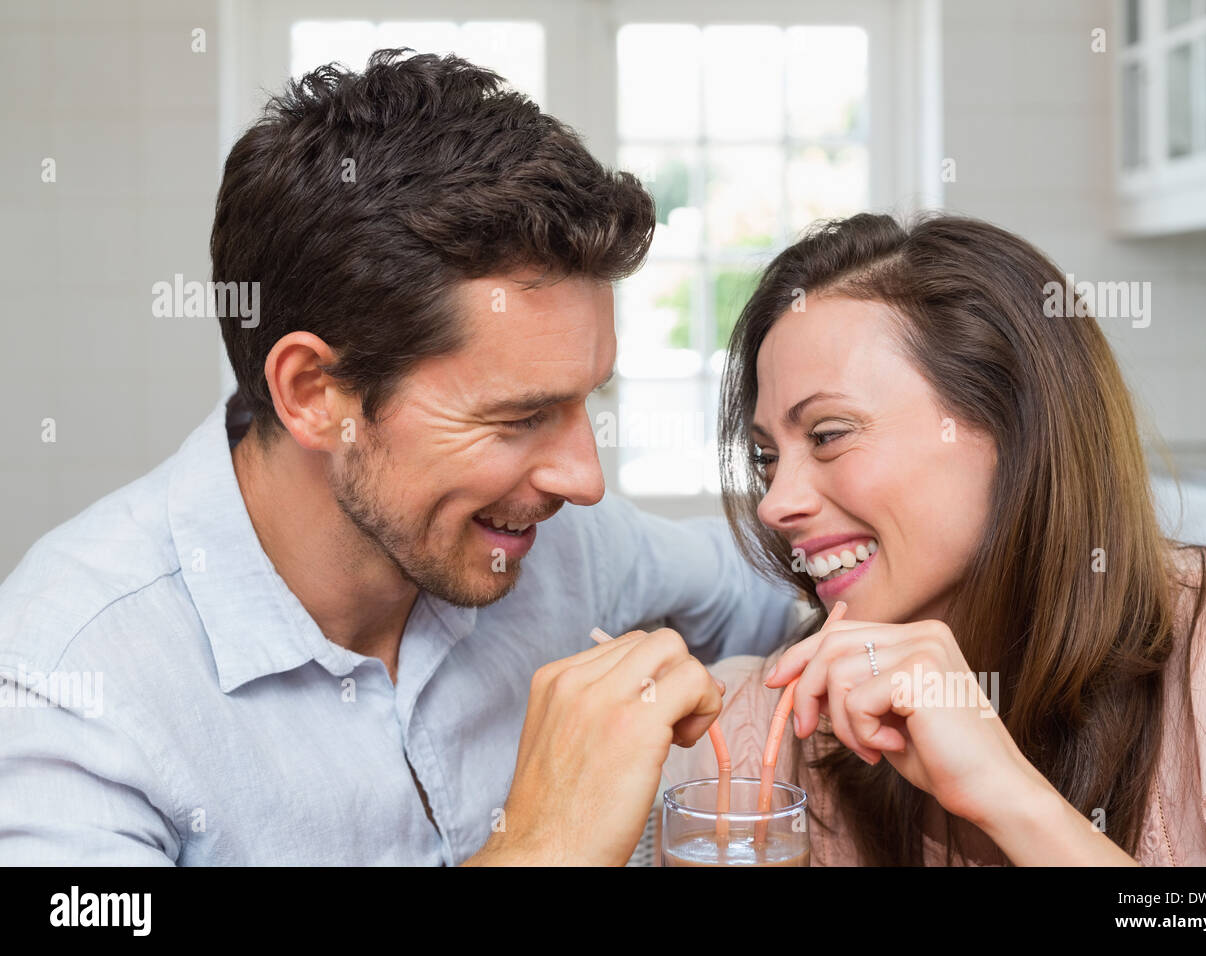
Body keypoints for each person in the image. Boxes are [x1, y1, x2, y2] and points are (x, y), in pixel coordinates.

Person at [0, 50, 798, 866]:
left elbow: (782, 588)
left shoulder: (561, 549)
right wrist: (541, 848)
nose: (585, 480)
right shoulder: (70, 686)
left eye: (586, 402)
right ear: (315, 393)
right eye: (521, 416)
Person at [661, 212, 1206, 865]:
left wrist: (1008, 795)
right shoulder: (763, 731)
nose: (775, 503)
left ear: (1011, 427)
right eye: (767, 457)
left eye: (827, 434)